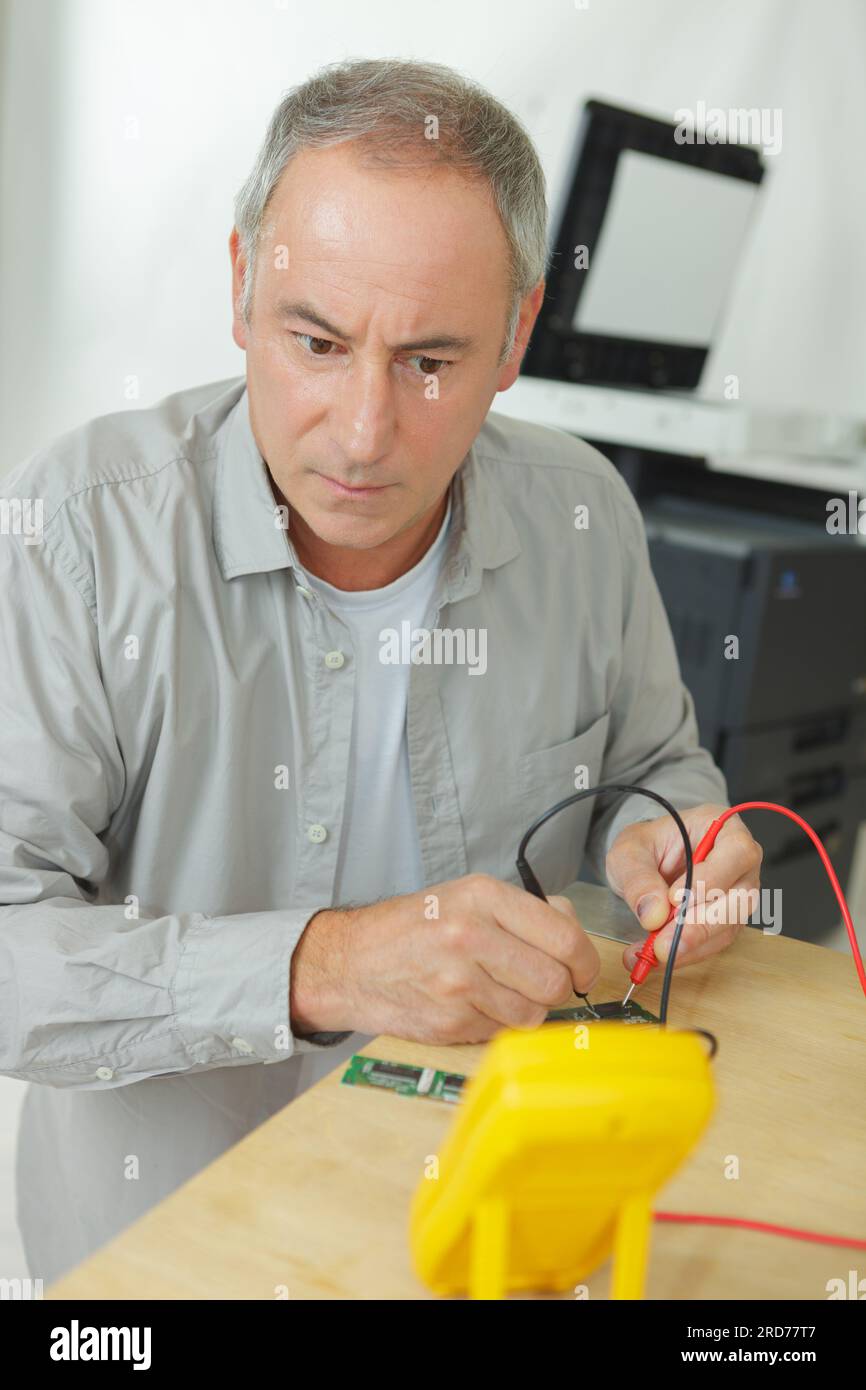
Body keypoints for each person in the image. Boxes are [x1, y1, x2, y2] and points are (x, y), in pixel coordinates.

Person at [0, 57, 762, 1285]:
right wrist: (329, 961)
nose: (361, 433)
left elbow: (650, 766)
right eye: (314, 340)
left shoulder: (586, 518)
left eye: (428, 362)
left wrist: (660, 839)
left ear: (515, 335)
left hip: (485, 1236)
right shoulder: (76, 533)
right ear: (242, 287)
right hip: (156, 1263)